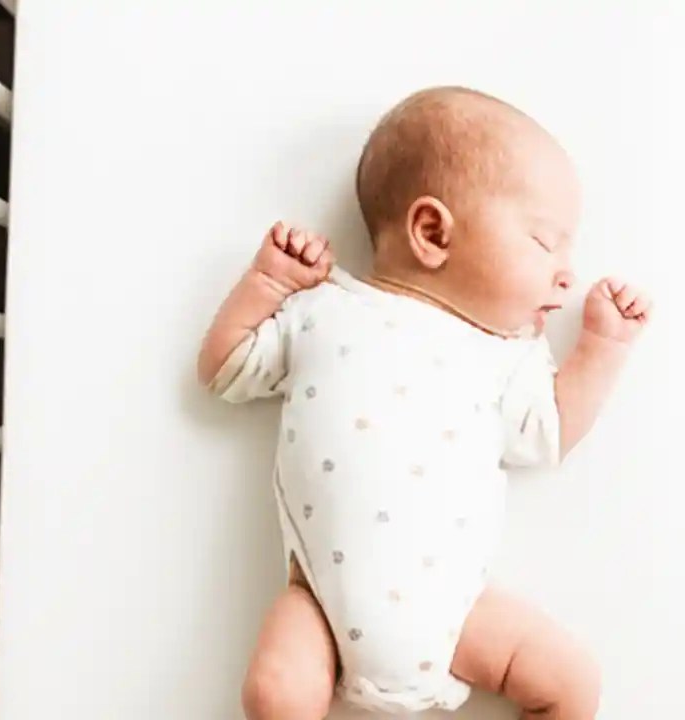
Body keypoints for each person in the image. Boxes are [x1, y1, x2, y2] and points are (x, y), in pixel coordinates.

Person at [198, 86, 652, 719]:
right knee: (275, 694)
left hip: (456, 609)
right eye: (545, 243)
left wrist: (600, 349)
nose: (567, 274)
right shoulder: (325, 311)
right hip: (319, 607)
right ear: (433, 231)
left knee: (570, 681)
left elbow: (549, 432)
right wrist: (268, 285)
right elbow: (225, 368)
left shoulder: (505, 355)